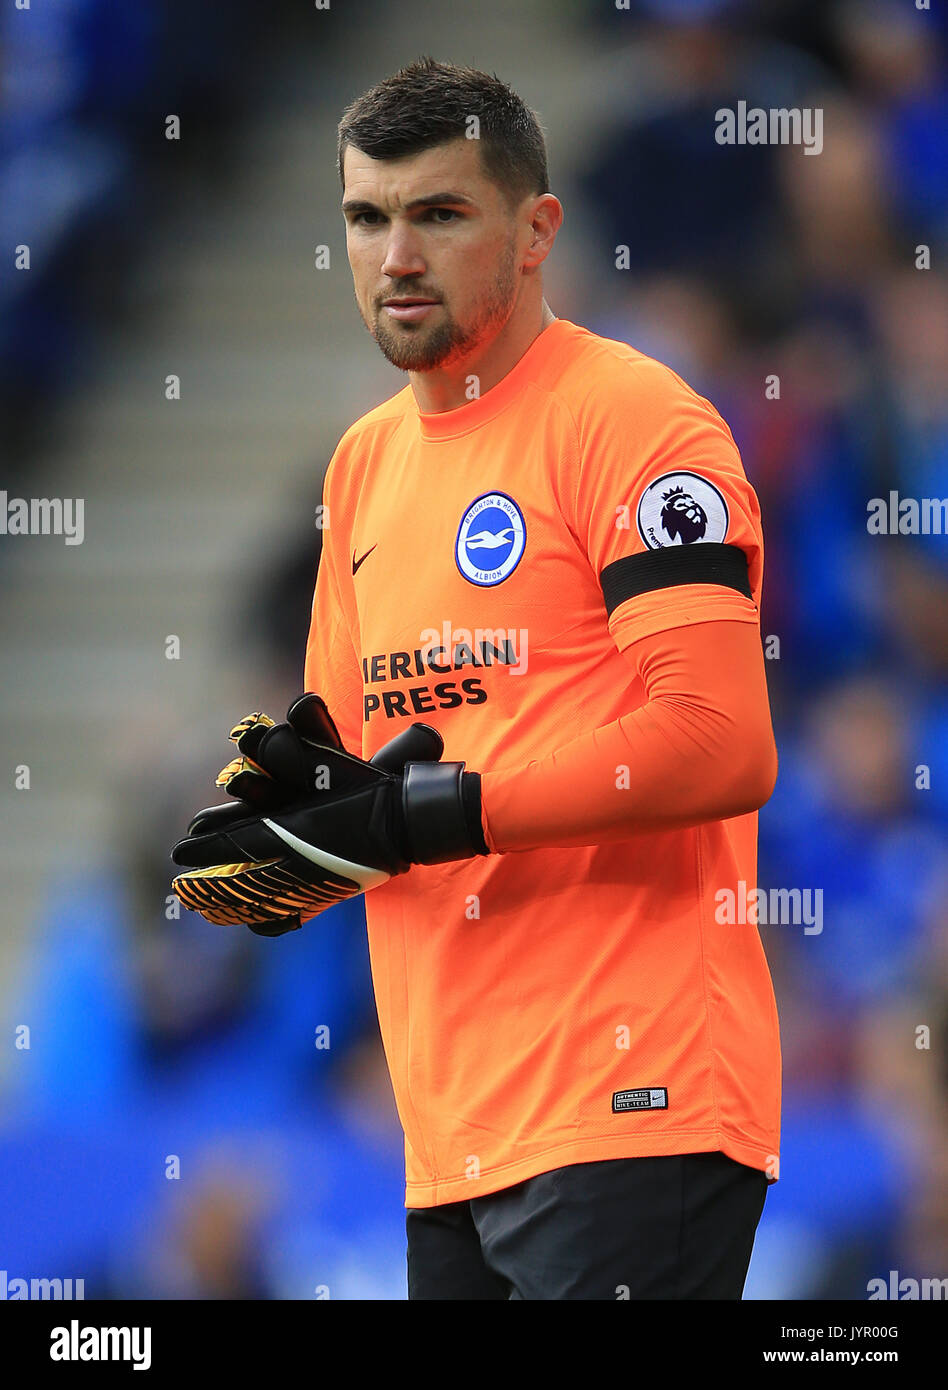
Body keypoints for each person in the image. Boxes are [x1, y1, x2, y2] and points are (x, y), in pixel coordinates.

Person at [174, 56, 781, 1300]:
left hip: (633, 1102)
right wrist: (292, 854)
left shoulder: (638, 422)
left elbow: (722, 739)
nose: (397, 254)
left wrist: (442, 811)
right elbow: (362, 790)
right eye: (366, 217)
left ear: (536, 230)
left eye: (440, 214)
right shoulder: (361, 471)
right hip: (452, 1133)